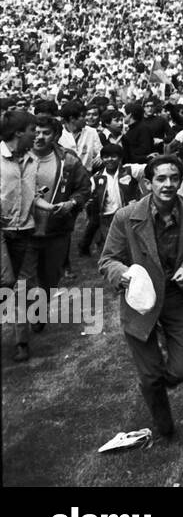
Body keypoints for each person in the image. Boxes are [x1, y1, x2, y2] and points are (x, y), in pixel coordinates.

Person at [98, 154, 183, 444]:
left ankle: (156, 375)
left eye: (174, 178)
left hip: (176, 297)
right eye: (161, 178)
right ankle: (164, 425)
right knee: (151, 377)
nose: (168, 184)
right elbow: (107, 260)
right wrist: (123, 274)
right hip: (139, 302)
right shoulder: (126, 217)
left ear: (181, 180)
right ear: (148, 182)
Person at [28, 114, 90, 288]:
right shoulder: (17, 156)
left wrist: (72, 203)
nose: (39, 137)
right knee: (25, 282)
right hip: (24, 231)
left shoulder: (68, 160)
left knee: (49, 281)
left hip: (56, 232)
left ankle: (39, 312)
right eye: (36, 132)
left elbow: (84, 189)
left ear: (55, 136)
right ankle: (29, 313)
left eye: (45, 133)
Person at [2, 110, 38, 361]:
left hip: (25, 231)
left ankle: (21, 341)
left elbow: (33, 195)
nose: (35, 134)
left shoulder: (32, 160)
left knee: (22, 288)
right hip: (1, 234)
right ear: (18, 133)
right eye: (32, 130)